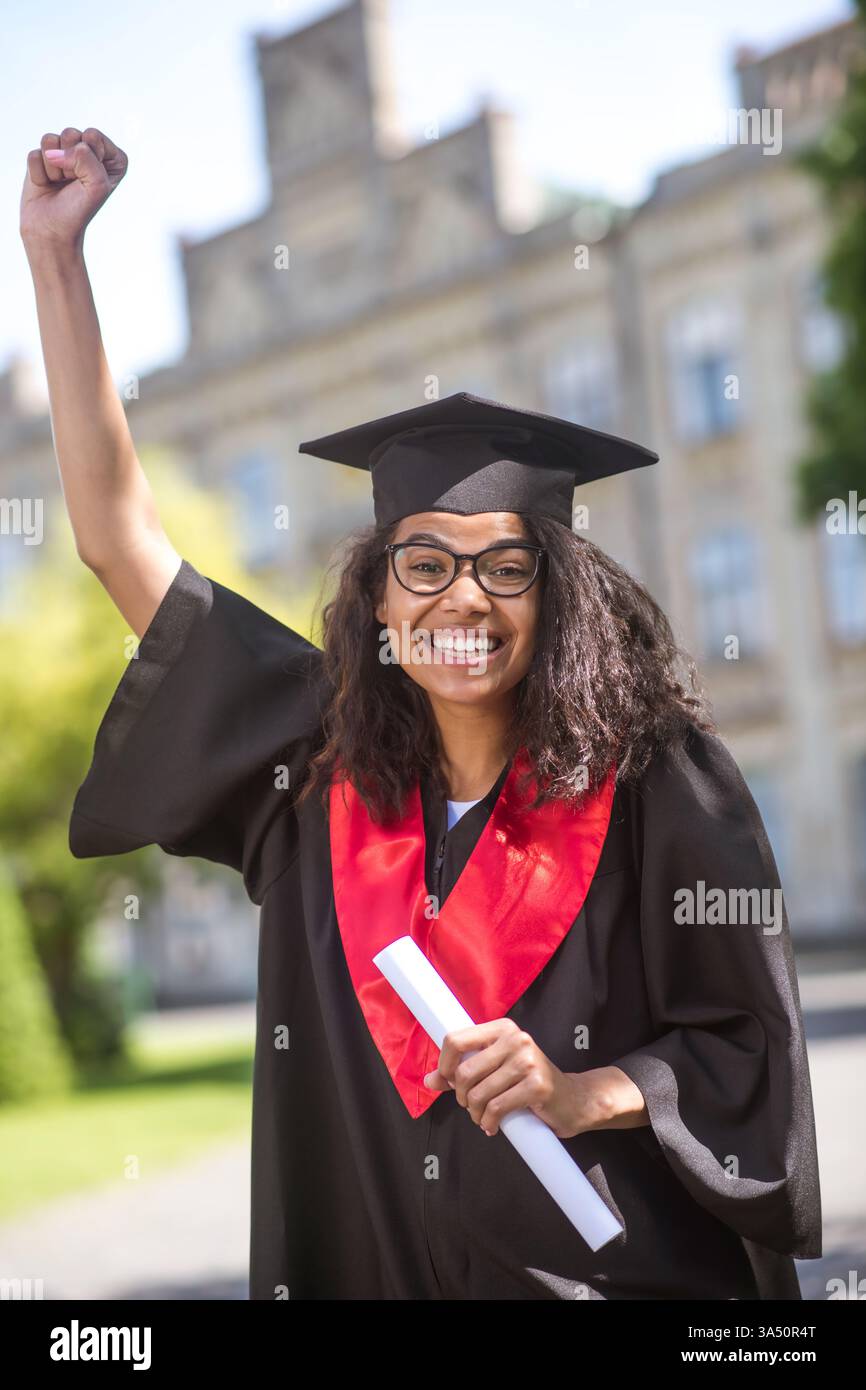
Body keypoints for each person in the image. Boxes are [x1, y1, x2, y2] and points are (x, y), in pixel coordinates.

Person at [21, 127, 822, 1301]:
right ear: (377, 601)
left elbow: (749, 1054)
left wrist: (579, 1088)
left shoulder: (657, 784)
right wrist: (55, 257)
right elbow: (117, 543)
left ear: (558, 598)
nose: (464, 597)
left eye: (506, 567)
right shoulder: (309, 770)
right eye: (424, 563)